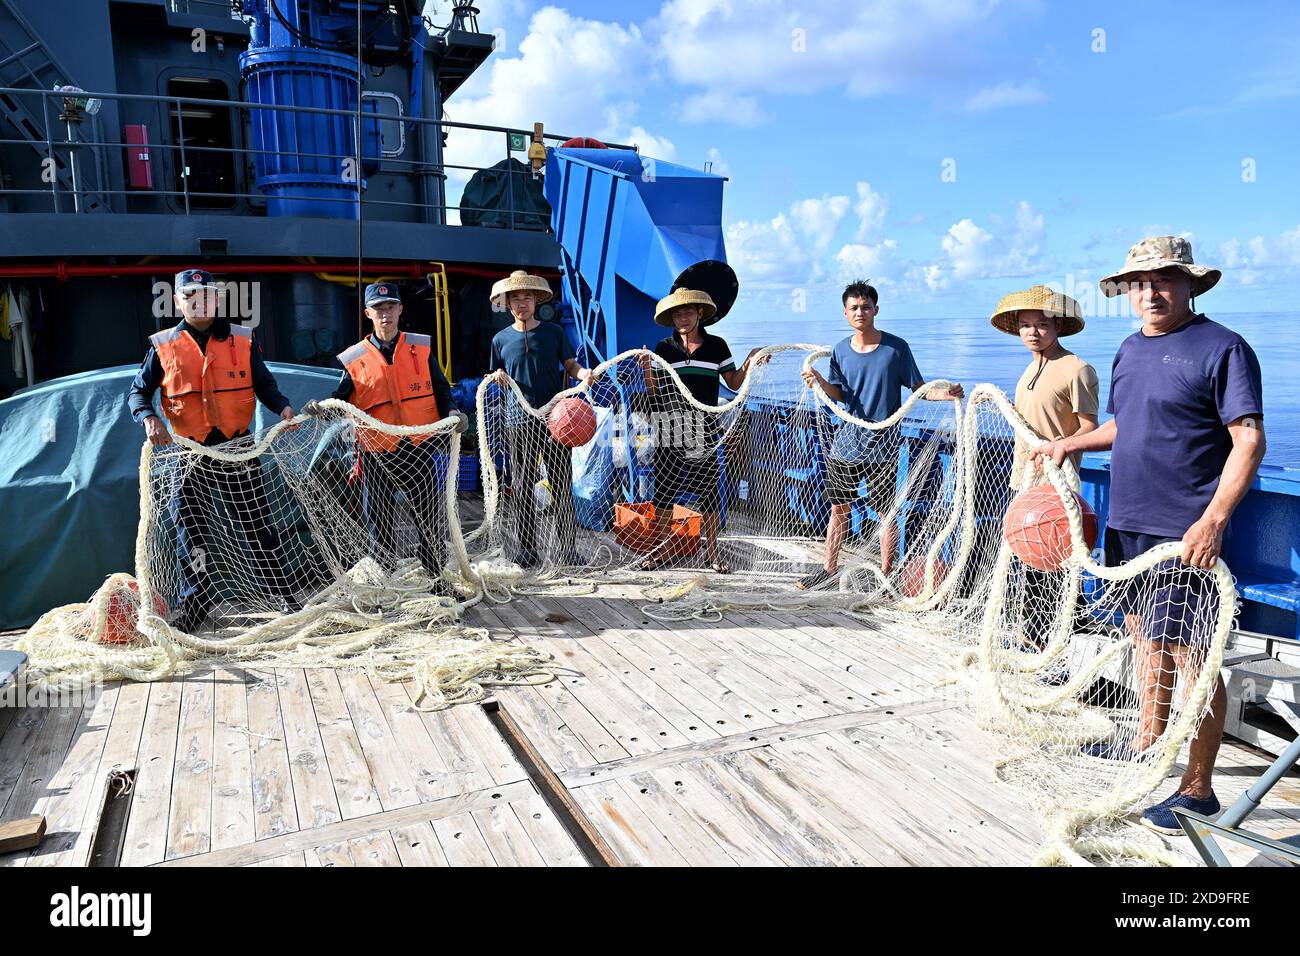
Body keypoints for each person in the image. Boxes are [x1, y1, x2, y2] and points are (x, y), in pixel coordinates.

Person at [1035, 236, 1266, 834]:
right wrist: (1069, 442)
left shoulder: (1224, 348)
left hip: (1184, 531)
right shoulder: (1129, 349)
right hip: (1128, 524)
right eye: (1140, 283)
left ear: (1191, 284)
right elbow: (1123, 425)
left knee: (1195, 659)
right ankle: (1145, 740)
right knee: (1145, 643)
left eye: (1164, 280)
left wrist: (1213, 520)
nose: (1151, 292)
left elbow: (1248, 440)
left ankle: (1198, 789)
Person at [126, 268, 299, 633]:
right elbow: (137, 392)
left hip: (238, 447)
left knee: (259, 526)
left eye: (204, 296)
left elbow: (265, 385)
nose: (197, 302)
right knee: (192, 533)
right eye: (189, 296)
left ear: (216, 300)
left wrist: (282, 406)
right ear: (178, 302)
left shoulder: (242, 340)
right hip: (189, 453)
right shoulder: (163, 345)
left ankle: (282, 595)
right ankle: (196, 605)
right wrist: (148, 418)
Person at [798, 279, 963, 590]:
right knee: (838, 509)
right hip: (845, 444)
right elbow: (840, 396)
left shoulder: (896, 348)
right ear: (845, 313)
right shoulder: (839, 351)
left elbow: (919, 390)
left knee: (886, 512)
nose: (860, 312)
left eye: (865, 307)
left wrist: (948, 393)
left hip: (883, 446)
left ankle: (887, 575)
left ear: (876, 309)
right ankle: (829, 568)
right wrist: (818, 379)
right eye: (853, 308)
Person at [304, 282, 463, 584]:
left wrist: (453, 412)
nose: (385, 314)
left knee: (428, 516)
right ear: (368, 314)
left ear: (401, 310)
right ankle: (386, 582)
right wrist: (321, 409)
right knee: (379, 520)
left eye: (390, 307)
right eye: (378, 309)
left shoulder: (421, 348)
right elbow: (340, 398)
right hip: (376, 451)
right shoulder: (354, 358)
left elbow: (442, 390)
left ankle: (435, 577)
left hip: (418, 446)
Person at [991, 285, 1098, 649]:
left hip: (1056, 484)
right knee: (1029, 561)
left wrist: (1059, 448)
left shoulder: (1077, 369)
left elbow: (1089, 428)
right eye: (1025, 325)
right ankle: (1039, 636)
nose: (1032, 332)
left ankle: (1054, 640)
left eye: (1041, 324)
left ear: (1058, 327)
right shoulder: (1029, 368)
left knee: (1053, 566)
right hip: (1024, 478)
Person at [636, 288, 766, 573]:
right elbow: (653, 391)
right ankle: (658, 551)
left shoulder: (717, 346)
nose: (683, 317)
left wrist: (750, 362)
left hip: (704, 428)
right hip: (669, 427)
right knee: (664, 494)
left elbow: (733, 382)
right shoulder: (663, 349)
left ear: (699, 314)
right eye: (677, 314)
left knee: (707, 493)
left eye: (688, 312)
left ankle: (713, 554)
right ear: (672, 318)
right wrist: (647, 368)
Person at [488, 270, 595, 568]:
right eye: (516, 299)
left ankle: (567, 549)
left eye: (527, 298)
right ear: (507, 304)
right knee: (522, 487)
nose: (522, 304)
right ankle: (527, 550)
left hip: (555, 420)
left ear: (536, 301)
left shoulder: (554, 333)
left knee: (561, 485)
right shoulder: (500, 339)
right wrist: (496, 377)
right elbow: (494, 373)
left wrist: (583, 374)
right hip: (517, 421)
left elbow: (570, 365)